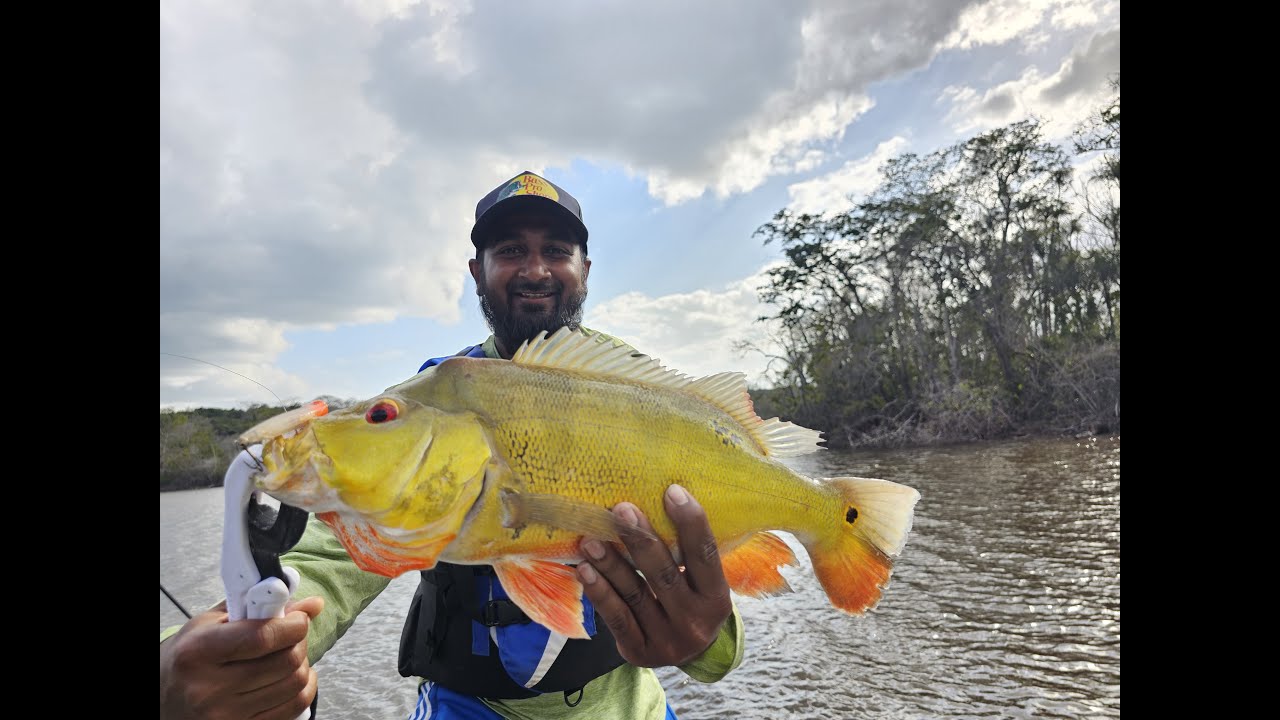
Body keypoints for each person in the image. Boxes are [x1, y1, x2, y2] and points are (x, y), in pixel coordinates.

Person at [160, 171, 743, 720]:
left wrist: (706, 640)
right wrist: (223, 655)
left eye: (557, 251)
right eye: (511, 250)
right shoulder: (428, 402)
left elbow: (717, 644)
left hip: (625, 703)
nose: (535, 269)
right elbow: (323, 558)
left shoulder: (642, 393)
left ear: (584, 269)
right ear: (476, 269)